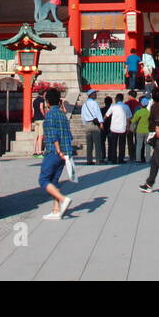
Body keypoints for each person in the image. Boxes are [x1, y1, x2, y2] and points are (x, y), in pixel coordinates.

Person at [38, 87, 74, 220]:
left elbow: (52, 135)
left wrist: (58, 150)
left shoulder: (50, 115)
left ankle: (62, 199)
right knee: (54, 181)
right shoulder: (62, 115)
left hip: (54, 151)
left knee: (43, 179)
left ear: (47, 102)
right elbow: (68, 134)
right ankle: (55, 209)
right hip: (65, 152)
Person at [80, 89, 104, 165]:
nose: (96, 95)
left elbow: (82, 115)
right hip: (94, 124)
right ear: (91, 95)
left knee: (89, 144)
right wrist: (101, 123)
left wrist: (84, 123)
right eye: (95, 94)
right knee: (97, 143)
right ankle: (98, 159)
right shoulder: (94, 103)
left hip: (87, 124)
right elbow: (98, 113)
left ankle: (89, 160)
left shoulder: (85, 104)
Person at [106, 93, 131, 164]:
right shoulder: (126, 107)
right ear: (122, 99)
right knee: (122, 144)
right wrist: (128, 127)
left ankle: (114, 159)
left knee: (113, 144)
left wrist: (102, 122)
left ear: (116, 99)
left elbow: (107, 115)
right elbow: (128, 118)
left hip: (114, 128)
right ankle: (121, 159)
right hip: (122, 128)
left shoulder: (113, 106)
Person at [131, 97, 150, 163]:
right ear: (147, 104)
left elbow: (133, 121)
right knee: (148, 146)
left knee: (139, 145)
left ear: (141, 104)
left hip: (139, 130)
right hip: (147, 130)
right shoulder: (149, 112)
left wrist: (132, 128)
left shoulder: (138, 112)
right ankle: (148, 159)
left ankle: (138, 159)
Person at [30, 88, 47, 156]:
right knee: (40, 136)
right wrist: (44, 115)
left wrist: (33, 117)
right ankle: (39, 151)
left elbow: (33, 110)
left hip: (36, 119)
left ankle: (35, 151)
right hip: (40, 119)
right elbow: (41, 107)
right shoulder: (41, 99)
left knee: (36, 136)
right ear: (43, 94)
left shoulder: (34, 100)